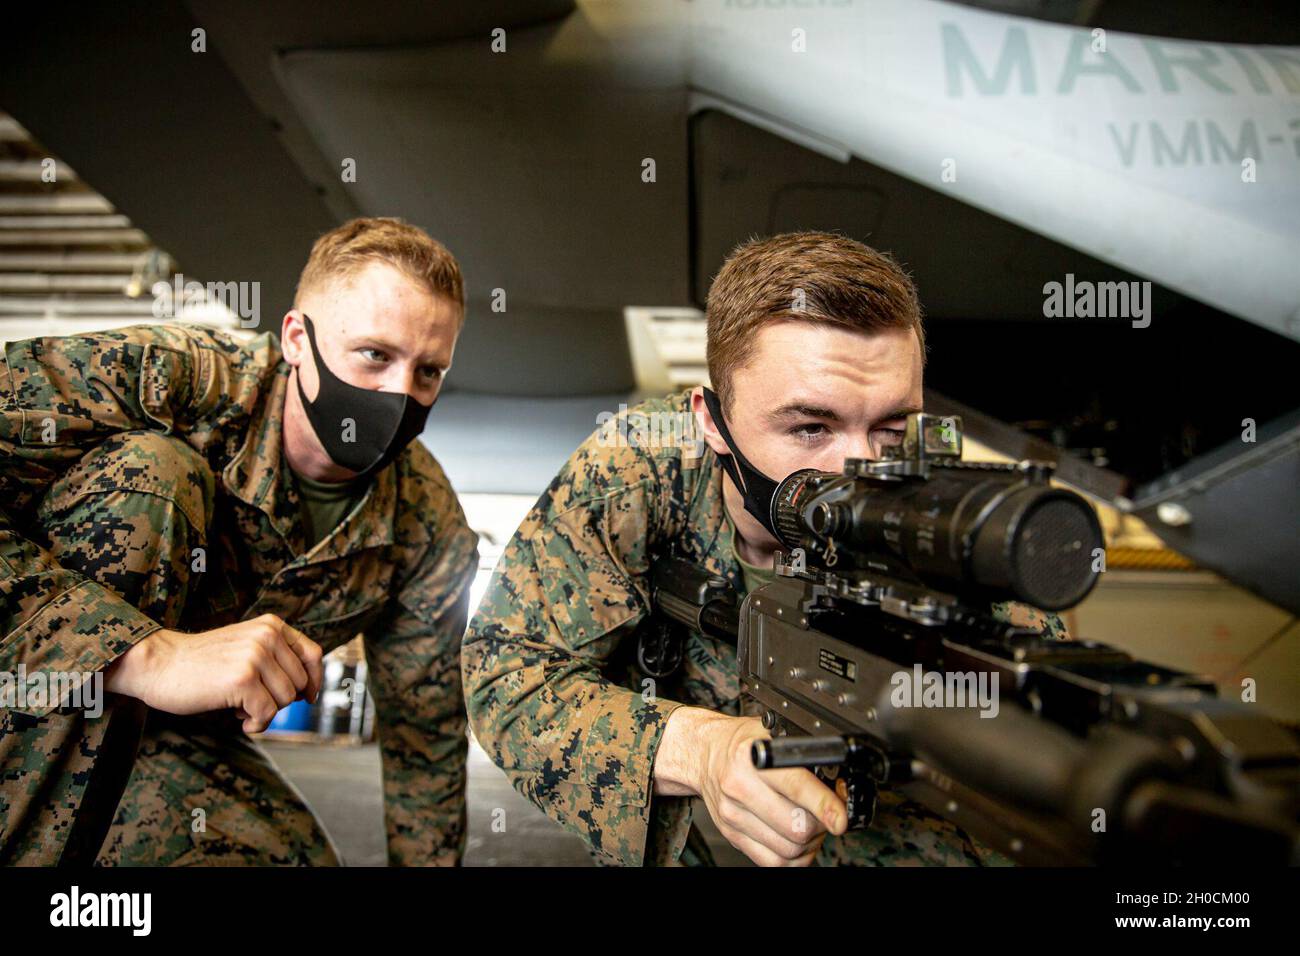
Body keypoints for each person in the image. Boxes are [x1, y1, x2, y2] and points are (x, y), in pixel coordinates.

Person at [462, 231, 1067, 866]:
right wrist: (701, 750)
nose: (859, 468)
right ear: (710, 419)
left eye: (891, 428)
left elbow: (1037, 712)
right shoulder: (636, 471)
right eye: (811, 427)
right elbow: (507, 671)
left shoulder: (937, 507)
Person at [0, 217, 477, 866]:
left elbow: (427, 750)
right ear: (296, 339)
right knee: (155, 473)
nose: (400, 393)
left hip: (167, 739)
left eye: (428, 372)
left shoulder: (427, 528)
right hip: (30, 681)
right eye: (374, 355)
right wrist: (149, 658)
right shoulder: (174, 380)